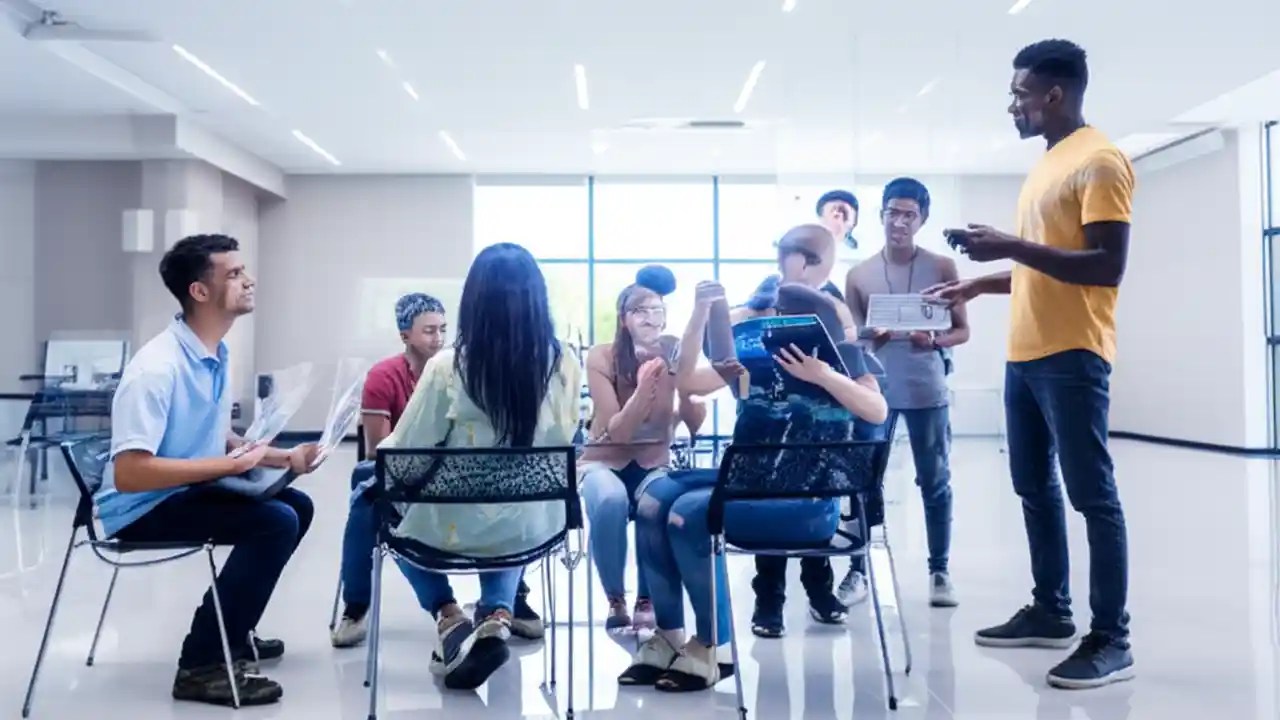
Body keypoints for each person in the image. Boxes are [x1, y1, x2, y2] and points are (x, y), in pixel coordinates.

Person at [924, 39, 1135, 690]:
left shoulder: (1100, 161)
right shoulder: (1049, 163)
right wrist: (979, 284)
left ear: (1054, 95)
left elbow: (1105, 266)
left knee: (1091, 497)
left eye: (1020, 93)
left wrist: (1009, 244)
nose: (1011, 104)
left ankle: (1111, 638)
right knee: (1032, 488)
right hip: (1026, 353)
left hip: (1072, 355)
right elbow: (1046, 269)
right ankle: (1051, 609)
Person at [618, 281, 888, 692]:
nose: (772, 324)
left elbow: (877, 410)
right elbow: (688, 382)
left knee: (688, 512)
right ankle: (669, 635)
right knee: (653, 498)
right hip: (747, 483)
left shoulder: (850, 364)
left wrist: (823, 375)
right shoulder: (754, 362)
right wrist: (698, 316)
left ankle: (714, 645)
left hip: (807, 503)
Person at [95, 234, 322, 706]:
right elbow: (129, 474)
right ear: (200, 292)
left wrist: (285, 458)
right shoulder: (157, 369)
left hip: (182, 491)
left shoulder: (213, 352)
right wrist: (227, 466)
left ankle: (233, 630)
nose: (249, 280)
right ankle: (201, 663)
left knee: (296, 505)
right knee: (274, 522)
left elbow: (219, 438)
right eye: (235, 274)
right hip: (141, 507)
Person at [378, 242, 581, 690]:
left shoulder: (448, 366)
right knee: (504, 503)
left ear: (473, 301)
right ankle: (497, 615)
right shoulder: (565, 360)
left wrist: (382, 462)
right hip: (538, 524)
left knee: (370, 502)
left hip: (454, 525)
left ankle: (450, 619)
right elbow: (566, 439)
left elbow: (408, 455)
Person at [843, 178, 969, 608]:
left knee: (934, 480)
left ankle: (939, 570)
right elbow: (855, 344)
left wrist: (931, 341)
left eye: (908, 215)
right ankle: (858, 569)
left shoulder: (942, 268)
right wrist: (870, 338)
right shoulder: (858, 275)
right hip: (874, 390)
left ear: (922, 220)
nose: (898, 222)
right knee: (863, 481)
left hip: (925, 387)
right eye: (891, 212)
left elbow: (961, 331)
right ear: (880, 215)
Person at [735, 224, 856, 634]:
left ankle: (818, 589)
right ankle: (768, 599)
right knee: (767, 495)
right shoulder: (765, 296)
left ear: (807, 262)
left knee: (811, 498)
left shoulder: (834, 303)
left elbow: (852, 359)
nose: (783, 268)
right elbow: (736, 331)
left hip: (818, 428)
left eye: (788, 259)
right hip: (766, 425)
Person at [579, 266, 683, 632]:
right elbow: (617, 430)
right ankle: (615, 598)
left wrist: (690, 409)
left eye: (657, 311)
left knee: (657, 501)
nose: (651, 318)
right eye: (641, 311)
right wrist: (643, 387)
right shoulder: (601, 356)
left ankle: (647, 596)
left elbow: (695, 390)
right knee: (610, 500)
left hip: (652, 460)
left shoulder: (672, 350)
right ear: (624, 319)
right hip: (603, 459)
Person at [815, 188, 864, 285]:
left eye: (843, 212)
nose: (838, 215)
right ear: (821, 218)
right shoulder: (808, 249)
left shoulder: (863, 253)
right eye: (832, 211)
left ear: (854, 220)